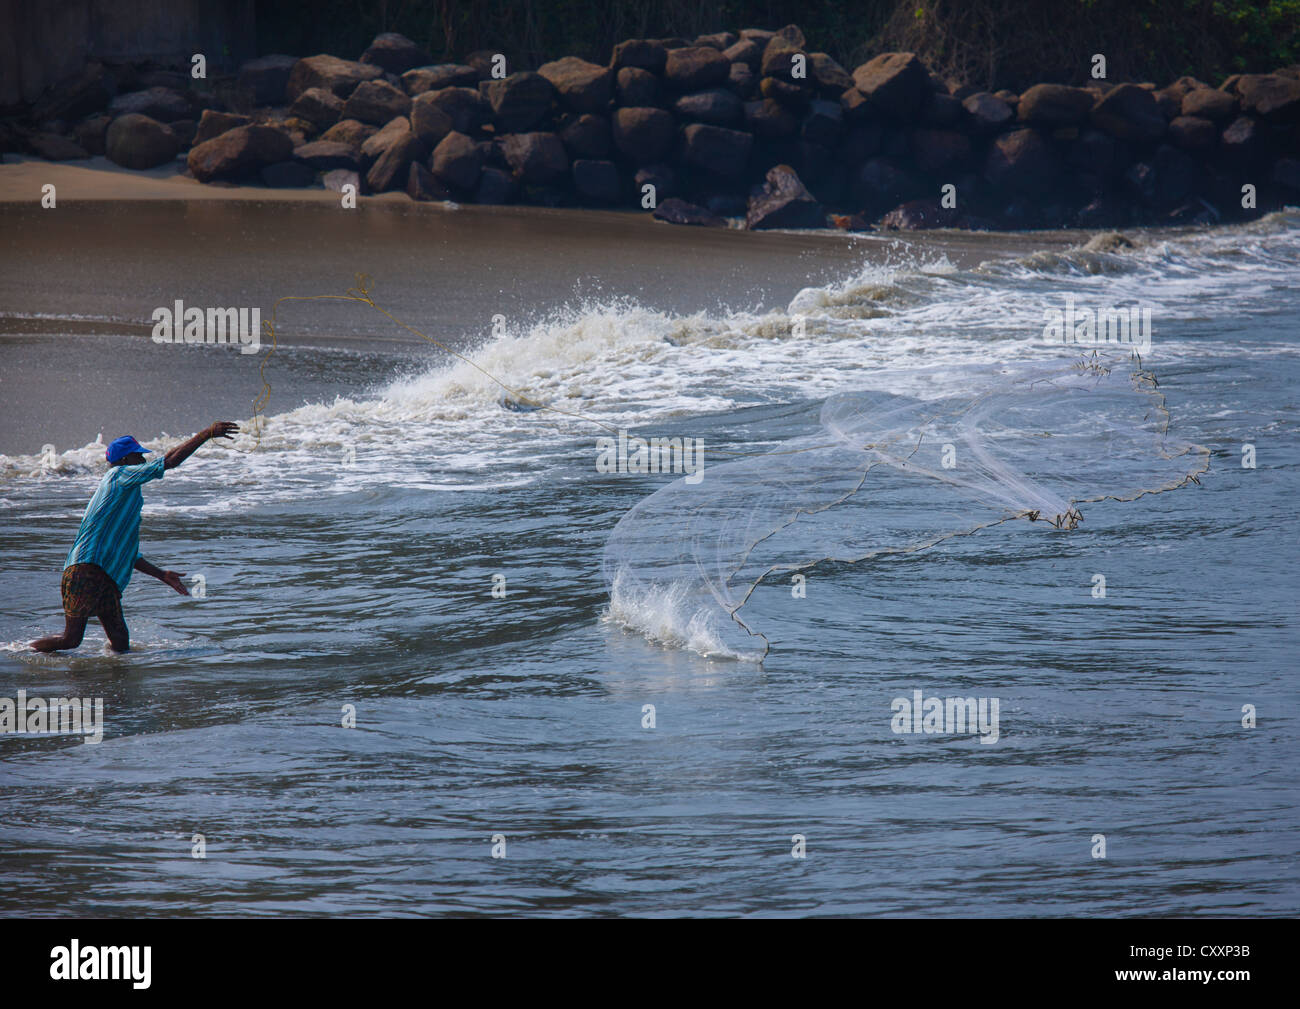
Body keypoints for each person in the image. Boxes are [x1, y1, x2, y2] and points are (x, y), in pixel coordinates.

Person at [31, 422, 239, 653]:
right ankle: (24, 652)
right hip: (86, 569)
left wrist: (161, 574)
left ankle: (114, 684)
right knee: (71, 639)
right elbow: (169, 461)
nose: (142, 462)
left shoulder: (125, 494)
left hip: (104, 575)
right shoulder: (118, 476)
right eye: (137, 457)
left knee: (120, 642)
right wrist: (206, 434)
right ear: (124, 460)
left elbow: (129, 554)